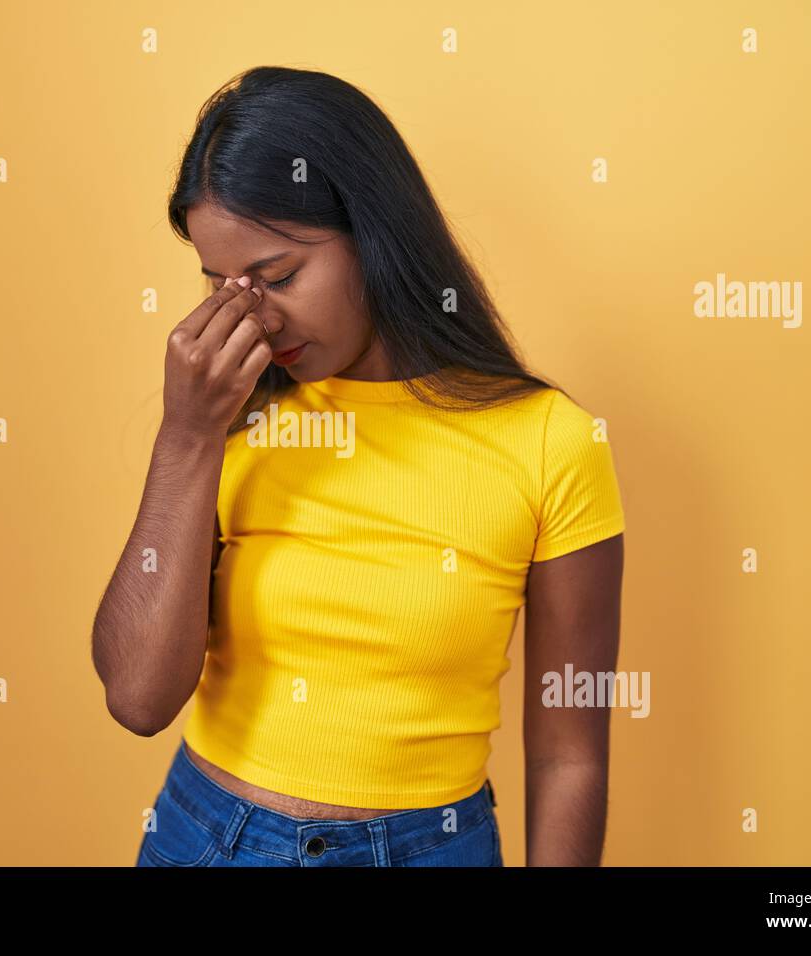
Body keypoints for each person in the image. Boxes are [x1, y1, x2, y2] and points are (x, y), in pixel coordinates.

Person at [92, 66, 625, 867]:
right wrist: (184, 439)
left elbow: (569, 757)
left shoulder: (550, 442)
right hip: (208, 838)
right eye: (221, 284)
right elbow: (137, 698)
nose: (253, 317)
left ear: (375, 233)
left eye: (277, 277)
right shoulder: (229, 416)